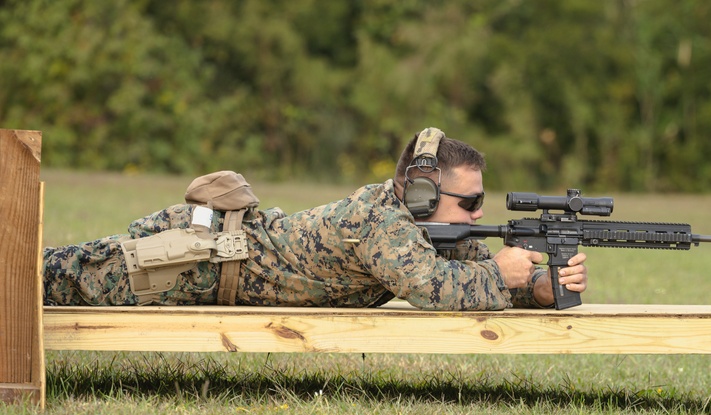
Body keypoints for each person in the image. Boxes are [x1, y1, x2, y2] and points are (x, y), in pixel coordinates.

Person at [43, 127, 588, 310]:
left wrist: (537, 287)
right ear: (421, 196)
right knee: (50, 276)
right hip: (198, 260)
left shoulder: (434, 229)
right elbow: (435, 288)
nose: (478, 212)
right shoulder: (381, 221)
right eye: (468, 202)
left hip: (217, 266)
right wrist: (502, 274)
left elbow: (476, 277)